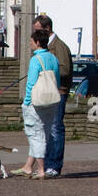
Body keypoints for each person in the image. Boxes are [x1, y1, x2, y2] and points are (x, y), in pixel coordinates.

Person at [14, 28, 59, 179]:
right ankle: (28, 166)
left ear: (38, 42)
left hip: (36, 102)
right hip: (51, 101)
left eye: (31, 42)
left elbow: (31, 83)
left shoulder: (35, 60)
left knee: (35, 135)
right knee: (44, 133)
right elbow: (57, 79)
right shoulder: (53, 58)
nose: (30, 44)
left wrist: (26, 102)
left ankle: (40, 170)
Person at [33, 14, 71, 177]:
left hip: (58, 92)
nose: (34, 35)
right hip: (45, 92)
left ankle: (54, 165)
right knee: (45, 129)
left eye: (38, 31)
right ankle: (46, 164)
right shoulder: (45, 46)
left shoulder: (59, 46)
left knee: (55, 128)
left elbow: (65, 70)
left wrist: (46, 72)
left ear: (47, 29)